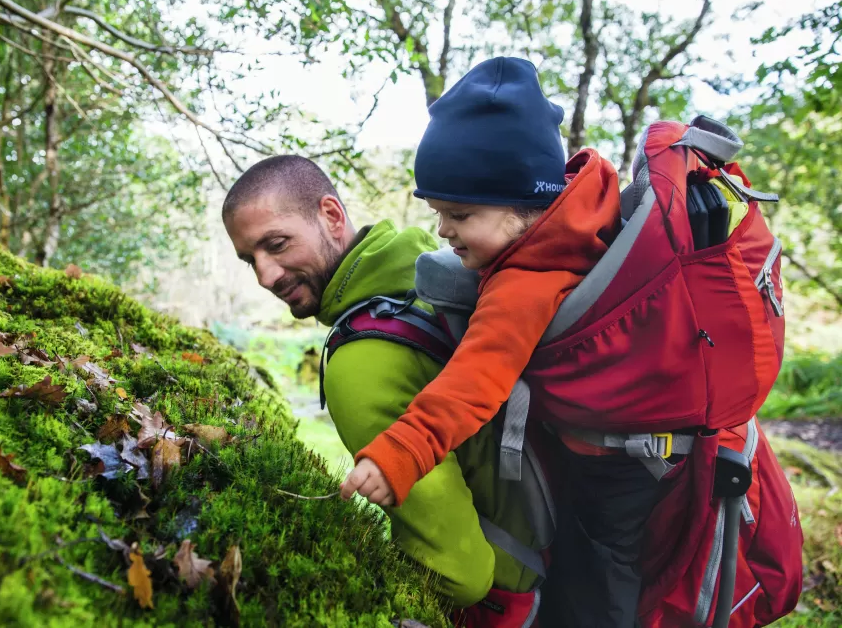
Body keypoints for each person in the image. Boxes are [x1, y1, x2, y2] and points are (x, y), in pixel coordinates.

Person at [338, 56, 661, 627]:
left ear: (522, 205)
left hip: (615, 471)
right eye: (438, 213)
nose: (442, 230)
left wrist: (401, 453)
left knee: (594, 597)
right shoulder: (584, 216)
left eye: (458, 213)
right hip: (639, 454)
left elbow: (473, 382)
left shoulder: (524, 282)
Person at [222, 155, 543, 626]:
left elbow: (459, 574)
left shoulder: (359, 363)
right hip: (572, 545)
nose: (265, 276)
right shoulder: (433, 269)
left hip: (512, 600)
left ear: (331, 215)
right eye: (251, 259)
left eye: (277, 244)